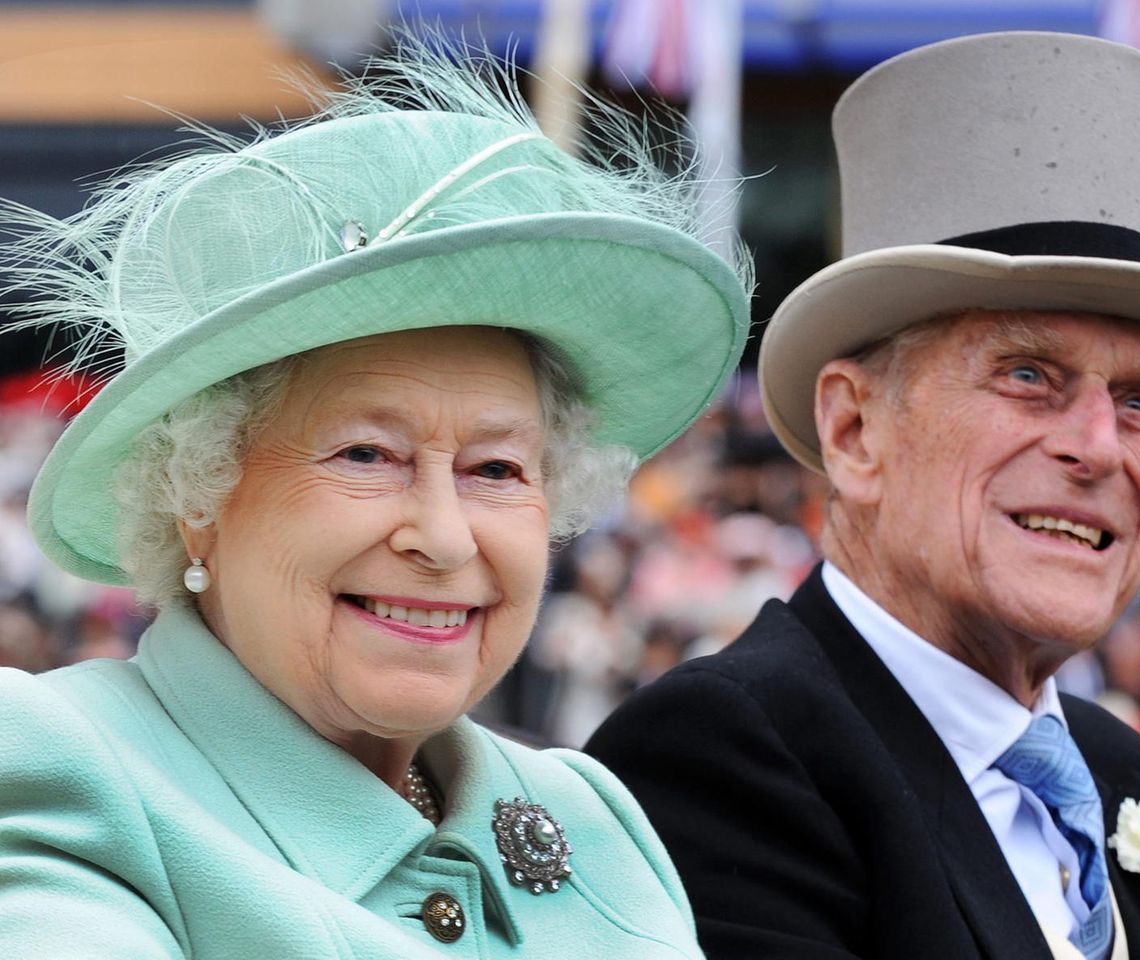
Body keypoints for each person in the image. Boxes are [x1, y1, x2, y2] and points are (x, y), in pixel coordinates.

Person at [0, 31, 749, 958]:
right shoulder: (53, 763)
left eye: (496, 471)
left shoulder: (590, 814)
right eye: (366, 454)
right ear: (199, 495)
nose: (444, 537)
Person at [587, 31, 1140, 960]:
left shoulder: (1124, 774)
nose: (1098, 447)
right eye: (1030, 375)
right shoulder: (723, 754)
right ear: (856, 432)